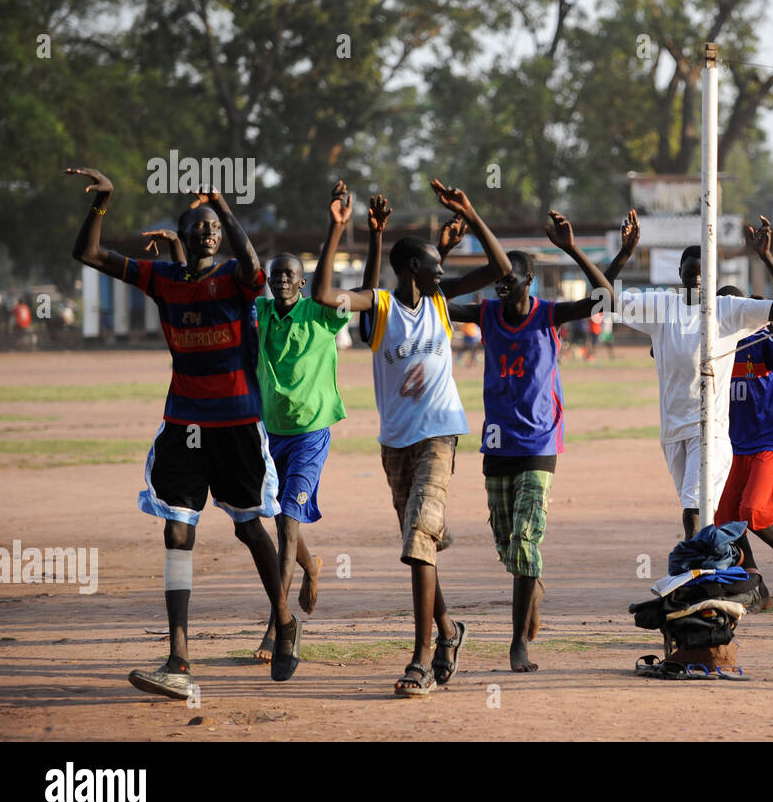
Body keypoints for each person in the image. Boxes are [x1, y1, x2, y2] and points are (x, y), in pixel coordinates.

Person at [68, 167, 300, 697]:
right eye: (200, 224)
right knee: (177, 531)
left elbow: (253, 264)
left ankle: (284, 621)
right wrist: (102, 203)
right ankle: (179, 659)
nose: (209, 231)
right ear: (184, 232)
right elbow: (89, 255)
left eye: (215, 225)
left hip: (239, 423)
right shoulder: (163, 279)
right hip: (186, 424)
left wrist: (223, 204)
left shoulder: (237, 280)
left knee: (248, 529)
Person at [312, 179, 512, 696]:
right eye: (434, 264)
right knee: (417, 542)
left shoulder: (441, 301)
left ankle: (421, 659)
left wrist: (469, 207)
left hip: (440, 435)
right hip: (395, 442)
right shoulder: (380, 307)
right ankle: (449, 631)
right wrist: (340, 230)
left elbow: (501, 270)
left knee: (418, 541)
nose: (442, 269)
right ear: (411, 269)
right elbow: (324, 295)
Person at [444, 209, 639, 672]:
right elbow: (433, 300)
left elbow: (601, 300)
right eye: (497, 279)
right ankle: (532, 581)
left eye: (509, 278)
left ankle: (517, 645)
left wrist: (576, 249)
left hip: (539, 443)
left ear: (529, 281)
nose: (500, 286)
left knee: (527, 541)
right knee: (507, 546)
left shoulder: (549, 314)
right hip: (497, 445)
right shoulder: (487, 314)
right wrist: (447, 248)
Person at [249, 190, 381, 661]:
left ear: (302, 284)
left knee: (285, 520)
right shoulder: (259, 315)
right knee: (280, 518)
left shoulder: (324, 315)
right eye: (276, 274)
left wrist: (339, 228)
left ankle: (276, 625)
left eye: (291, 275)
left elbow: (365, 292)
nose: (282, 280)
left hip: (310, 434)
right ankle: (312, 564)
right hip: (268, 435)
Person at [617, 219, 773, 540]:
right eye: (691, 274)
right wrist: (623, 255)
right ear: (680, 274)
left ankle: (700, 572)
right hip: (677, 431)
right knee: (713, 515)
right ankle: (743, 573)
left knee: (705, 511)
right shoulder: (666, 310)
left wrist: (766, 258)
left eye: (703, 275)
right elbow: (603, 302)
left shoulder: (734, 319)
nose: (697, 281)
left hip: (729, 435)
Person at [714, 287, 773, 593]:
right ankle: (751, 572)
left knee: (752, 511)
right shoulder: (714, 343)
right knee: (723, 517)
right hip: (728, 445)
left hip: (765, 442)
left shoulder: (760, 339)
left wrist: (768, 319)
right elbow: (657, 352)